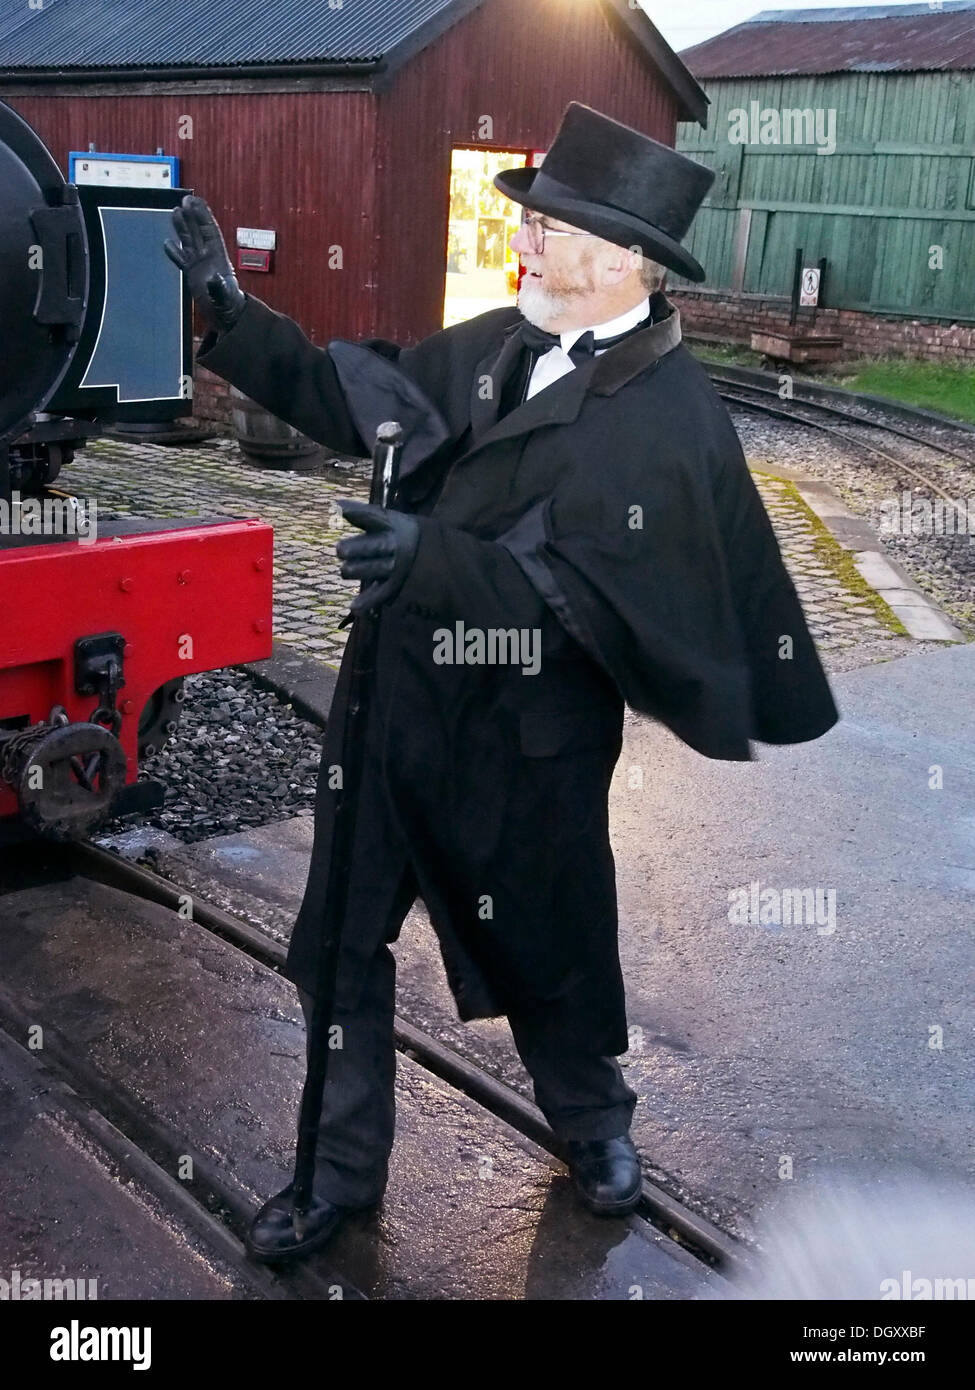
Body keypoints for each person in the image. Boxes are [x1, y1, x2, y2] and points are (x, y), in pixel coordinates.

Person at [165, 101, 838, 1264]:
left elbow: (590, 601)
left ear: (620, 257)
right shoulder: (495, 346)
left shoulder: (673, 423)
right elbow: (355, 400)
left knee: (550, 948)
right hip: (393, 712)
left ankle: (592, 1126)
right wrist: (232, 313)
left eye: (550, 226)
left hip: (529, 741)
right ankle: (334, 1174)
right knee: (337, 947)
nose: (522, 239)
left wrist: (435, 559)